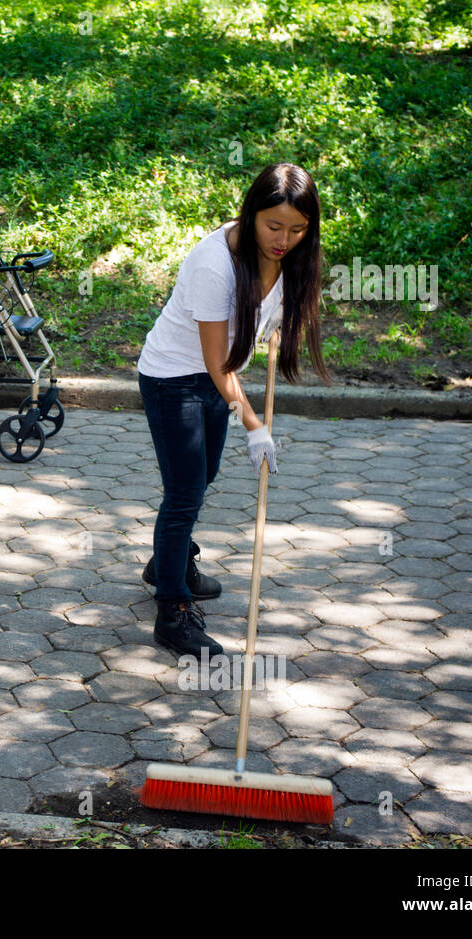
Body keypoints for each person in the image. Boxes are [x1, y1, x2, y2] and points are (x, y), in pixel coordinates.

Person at [137, 162, 330, 657]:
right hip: (173, 379)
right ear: (251, 214)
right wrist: (254, 424)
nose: (284, 239)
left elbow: (262, 325)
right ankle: (172, 611)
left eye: (297, 228)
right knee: (183, 494)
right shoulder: (213, 265)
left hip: (215, 378)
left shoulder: (289, 254)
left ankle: (167, 562)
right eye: (274, 226)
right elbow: (215, 362)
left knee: (204, 478)